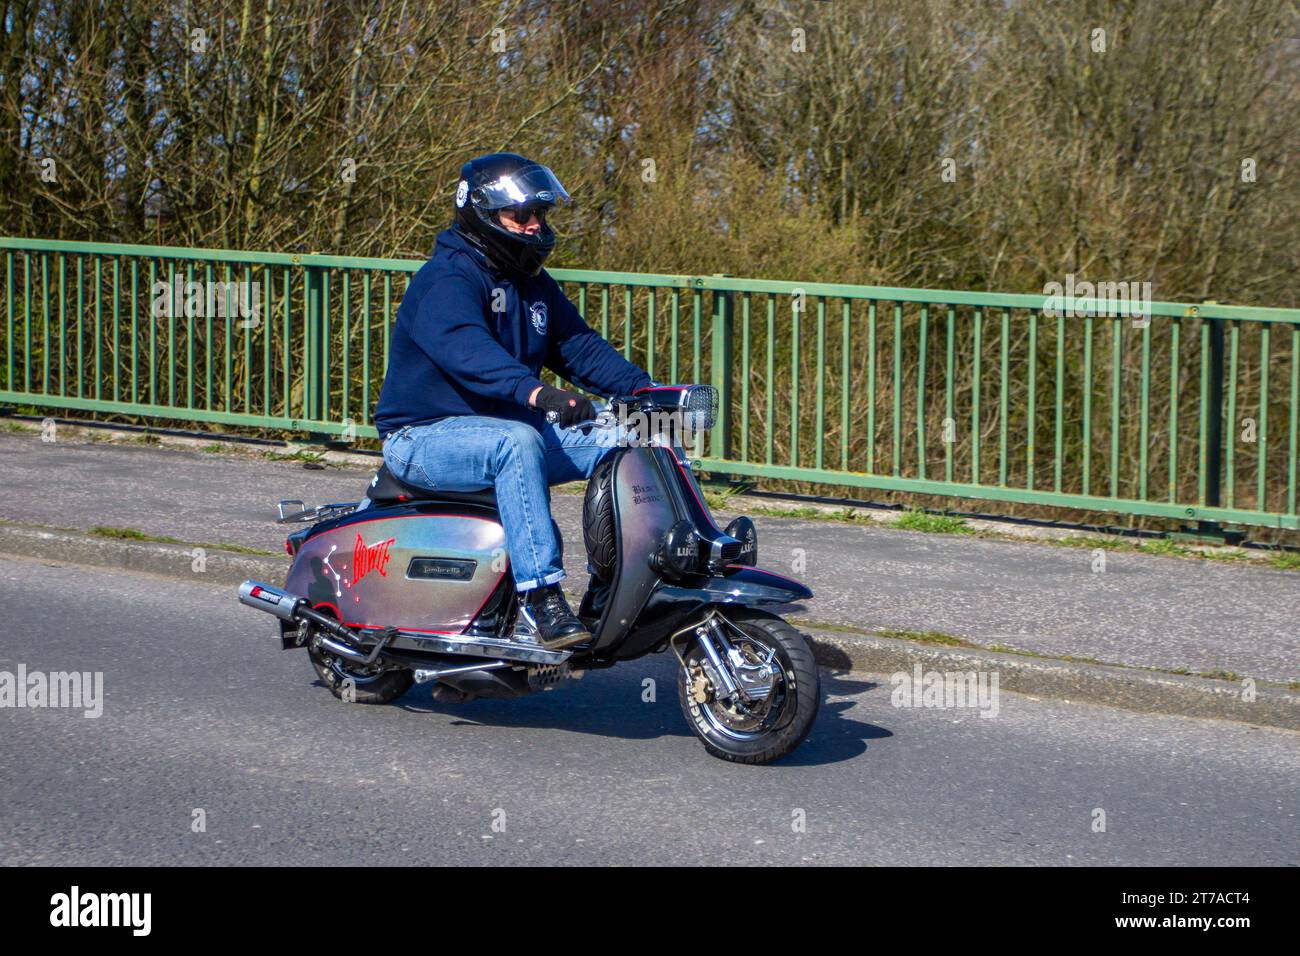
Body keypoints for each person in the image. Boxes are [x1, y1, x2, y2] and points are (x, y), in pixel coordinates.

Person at [373, 152, 652, 650]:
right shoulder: (447, 278)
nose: (533, 227)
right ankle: (540, 599)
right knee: (516, 440)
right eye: (520, 216)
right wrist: (537, 392)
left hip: (499, 425)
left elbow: (578, 347)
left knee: (630, 438)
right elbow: (466, 350)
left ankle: (620, 583)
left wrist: (647, 394)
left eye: (540, 216)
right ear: (481, 213)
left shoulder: (531, 284)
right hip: (422, 436)